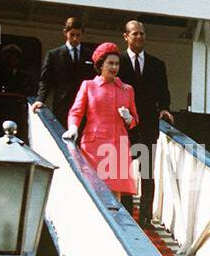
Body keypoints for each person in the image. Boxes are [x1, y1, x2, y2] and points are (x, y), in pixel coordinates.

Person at [63, 43, 139, 208]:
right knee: (93, 189)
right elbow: (76, 112)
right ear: (100, 64)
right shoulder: (88, 86)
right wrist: (73, 128)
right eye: (110, 63)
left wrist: (128, 118)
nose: (114, 67)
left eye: (117, 64)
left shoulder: (127, 90)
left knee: (115, 192)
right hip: (93, 146)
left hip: (118, 147)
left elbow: (135, 121)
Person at [116, 20, 173, 221]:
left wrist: (165, 109)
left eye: (142, 33)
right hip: (124, 125)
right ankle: (128, 213)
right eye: (135, 34)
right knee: (125, 171)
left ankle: (146, 217)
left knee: (147, 172)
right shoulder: (118, 62)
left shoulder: (157, 65)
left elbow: (163, 93)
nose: (139, 37)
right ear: (126, 36)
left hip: (148, 125)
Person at [33, 16, 95, 121]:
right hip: (62, 104)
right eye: (72, 35)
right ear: (65, 33)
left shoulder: (90, 55)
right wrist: (40, 99)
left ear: (82, 34)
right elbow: (46, 80)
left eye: (78, 35)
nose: (75, 38)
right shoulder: (54, 55)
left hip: (84, 105)